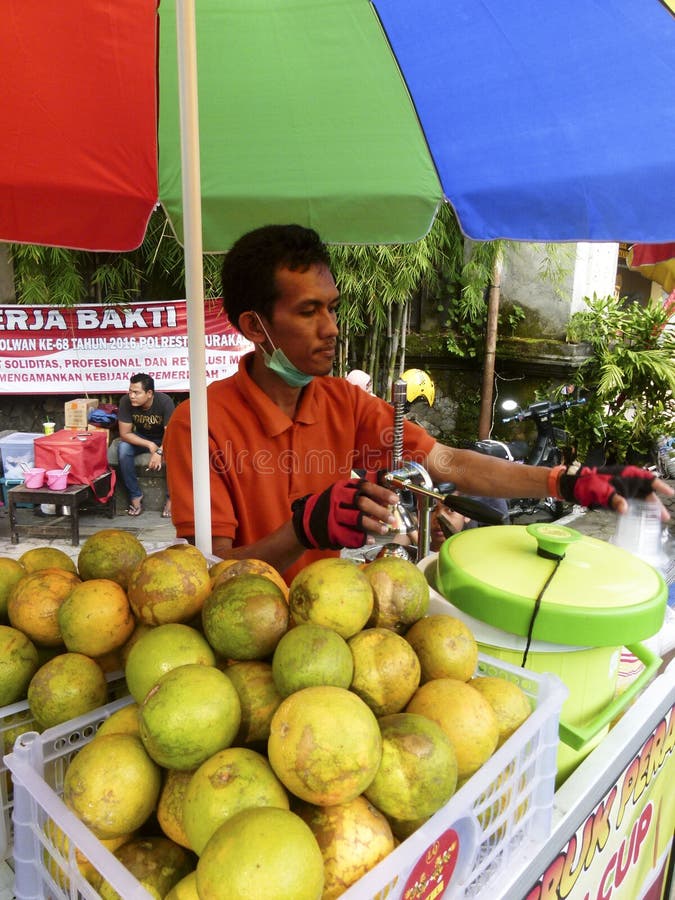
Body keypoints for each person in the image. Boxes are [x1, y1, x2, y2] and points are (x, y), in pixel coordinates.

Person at [164, 224, 672, 582]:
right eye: (308, 311)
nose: (332, 328)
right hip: (242, 649)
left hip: (329, 621)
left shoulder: (344, 402)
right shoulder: (199, 424)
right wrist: (301, 530)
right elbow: (211, 575)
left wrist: (565, 481)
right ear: (255, 326)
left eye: (333, 308)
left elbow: (447, 462)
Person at [117, 373, 175, 517]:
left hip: (165, 438)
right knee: (123, 449)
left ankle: (171, 498)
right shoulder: (125, 402)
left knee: (177, 453)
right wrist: (149, 445)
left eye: (136, 392)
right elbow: (125, 434)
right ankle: (135, 495)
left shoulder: (165, 402)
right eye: (130, 391)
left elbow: (171, 434)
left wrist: (159, 452)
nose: (131, 396)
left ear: (149, 393)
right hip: (143, 438)